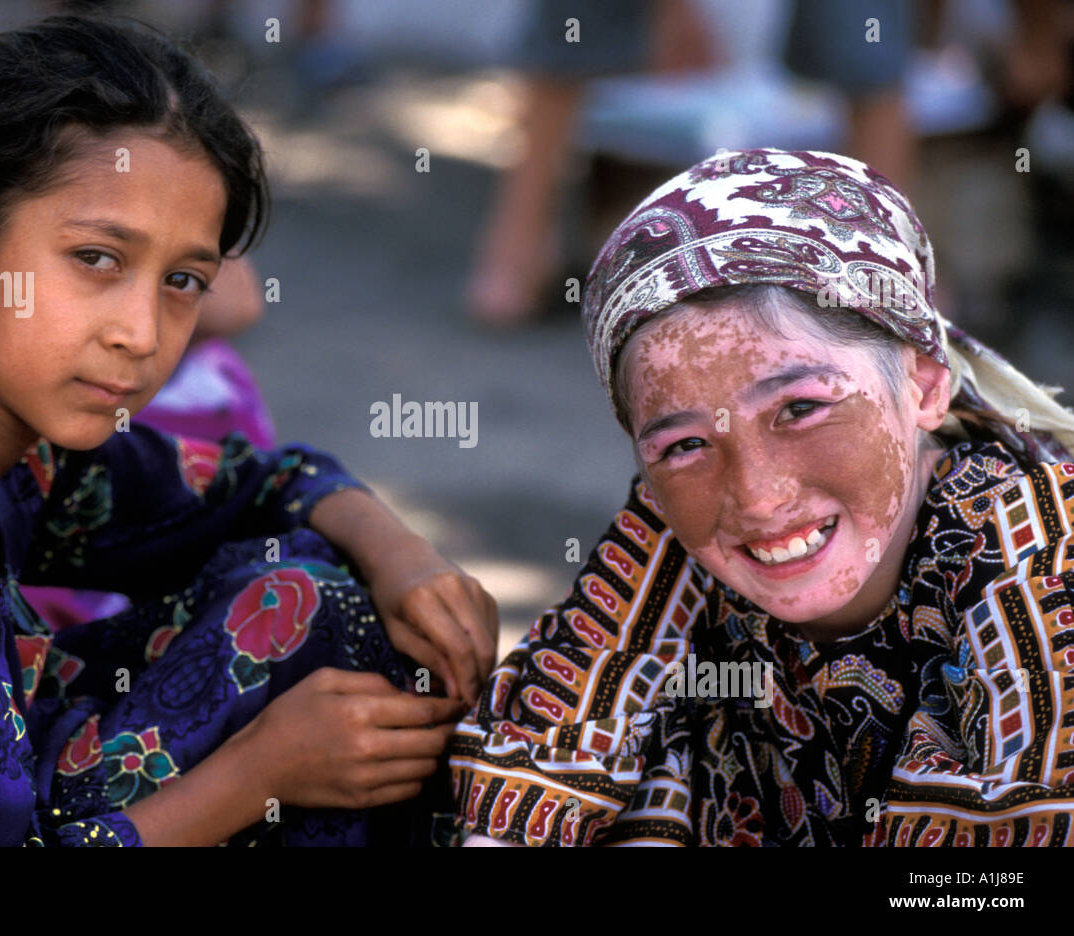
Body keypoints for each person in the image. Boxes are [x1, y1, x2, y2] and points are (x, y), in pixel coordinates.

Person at [0, 14, 499, 847]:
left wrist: (407, 562)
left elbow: (265, 486)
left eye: (183, 279)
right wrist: (258, 774)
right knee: (319, 640)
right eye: (97, 259)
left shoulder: (7, 453)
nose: (142, 333)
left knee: (313, 595)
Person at [449, 148, 1074, 846]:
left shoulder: (1041, 562)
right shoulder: (671, 529)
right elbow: (556, 733)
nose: (758, 498)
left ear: (925, 385)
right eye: (684, 445)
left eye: (800, 409)